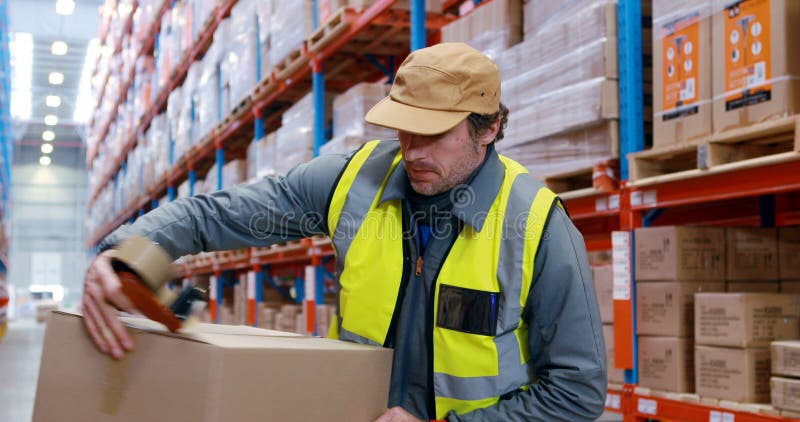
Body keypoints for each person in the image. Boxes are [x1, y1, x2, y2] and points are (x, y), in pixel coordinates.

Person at [82, 43, 607, 421]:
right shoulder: (351, 184)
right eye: (404, 128)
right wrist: (124, 254)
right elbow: (211, 215)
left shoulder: (537, 227)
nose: (413, 151)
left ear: (488, 127)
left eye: (434, 134)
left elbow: (574, 393)